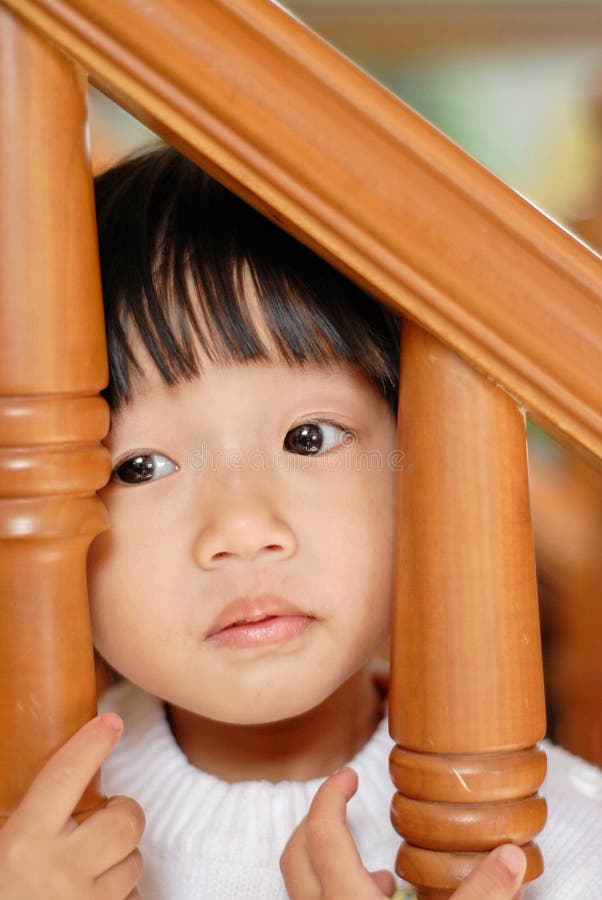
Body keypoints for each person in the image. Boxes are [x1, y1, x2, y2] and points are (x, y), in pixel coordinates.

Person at [1, 147, 600, 900]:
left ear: (424, 463)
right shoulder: (27, 844)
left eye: (308, 438)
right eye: (141, 466)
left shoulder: (560, 847)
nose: (243, 530)